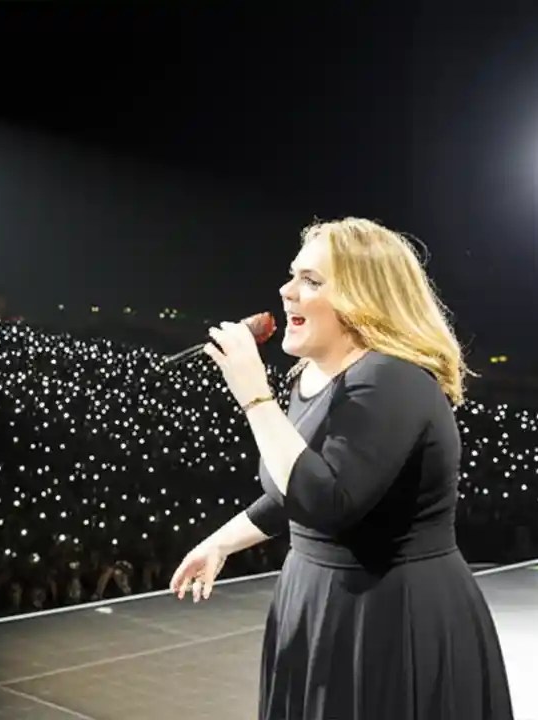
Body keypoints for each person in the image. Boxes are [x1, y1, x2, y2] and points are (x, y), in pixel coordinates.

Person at [170, 218, 514, 719]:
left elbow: (326, 501)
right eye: (292, 276)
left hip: (389, 613)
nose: (287, 291)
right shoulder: (310, 377)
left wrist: (253, 396)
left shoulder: (391, 379)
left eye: (311, 281)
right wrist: (221, 542)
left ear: (363, 298)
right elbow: (292, 487)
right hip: (315, 598)